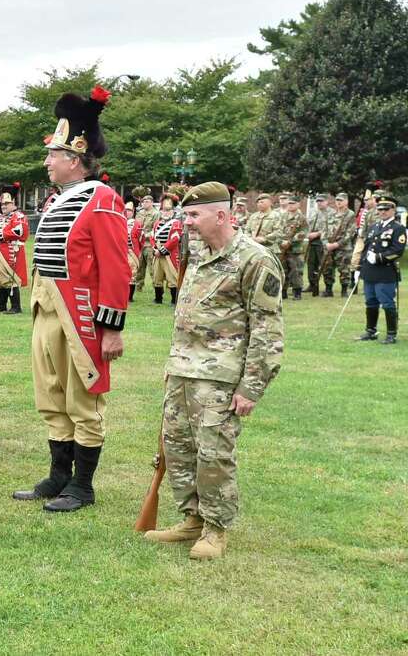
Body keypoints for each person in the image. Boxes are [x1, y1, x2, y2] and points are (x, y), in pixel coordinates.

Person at [144, 181, 283, 560]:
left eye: (193, 215)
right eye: (185, 215)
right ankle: (191, 518)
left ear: (221, 215)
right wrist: (172, 365)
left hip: (220, 377)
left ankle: (215, 529)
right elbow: (187, 315)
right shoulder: (199, 253)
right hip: (183, 371)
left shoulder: (255, 260)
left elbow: (267, 329)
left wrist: (251, 387)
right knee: (178, 448)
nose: (186, 222)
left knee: (213, 453)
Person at [12, 86, 130, 513]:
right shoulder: (60, 200)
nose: (47, 161)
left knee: (83, 400)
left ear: (74, 159)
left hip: (79, 315)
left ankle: (82, 486)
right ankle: (59, 475)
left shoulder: (102, 199)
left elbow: (117, 267)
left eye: (53, 155)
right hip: (46, 309)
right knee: (52, 394)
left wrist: (112, 327)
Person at [354, 196, 404, 344]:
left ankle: (391, 334)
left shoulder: (398, 228)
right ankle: (371, 331)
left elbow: (398, 250)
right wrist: (359, 267)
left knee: (387, 302)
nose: (382, 212)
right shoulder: (374, 226)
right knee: (370, 301)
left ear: (393, 210)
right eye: (380, 209)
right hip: (370, 271)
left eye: (386, 209)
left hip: (385, 272)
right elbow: (366, 247)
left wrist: (378, 258)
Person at [0, 187, 28, 314]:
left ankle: (16, 306)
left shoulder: (18, 216)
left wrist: (0, 236)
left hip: (9, 250)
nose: (3, 206)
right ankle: (1, 305)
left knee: (9, 277)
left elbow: (18, 231)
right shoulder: (0, 218)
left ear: (13, 203)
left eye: (6, 203)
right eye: (2, 204)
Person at [321, 192, 356, 298]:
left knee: (344, 269)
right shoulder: (330, 214)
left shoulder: (350, 214)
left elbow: (350, 232)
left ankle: (344, 290)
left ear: (346, 201)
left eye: (341, 200)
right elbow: (324, 230)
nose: (339, 202)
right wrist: (325, 243)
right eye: (337, 200)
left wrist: (337, 244)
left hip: (343, 248)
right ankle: (328, 290)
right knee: (327, 269)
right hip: (329, 247)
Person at [151, 195, 182, 305]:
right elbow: (152, 237)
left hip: (169, 254)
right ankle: (158, 298)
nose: (165, 212)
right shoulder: (156, 224)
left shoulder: (176, 223)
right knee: (156, 276)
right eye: (164, 210)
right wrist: (155, 249)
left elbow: (175, 239)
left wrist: (162, 251)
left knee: (172, 277)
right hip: (158, 254)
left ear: (173, 211)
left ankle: (174, 300)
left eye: (168, 210)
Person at [279, 193, 308, 300]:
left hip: (295, 249)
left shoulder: (301, 218)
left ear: (298, 204)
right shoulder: (283, 216)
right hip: (283, 248)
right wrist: (282, 241)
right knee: (283, 270)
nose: (290, 205)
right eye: (289, 203)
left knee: (296, 271)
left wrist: (290, 241)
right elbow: (278, 230)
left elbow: (303, 233)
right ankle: (283, 292)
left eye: (293, 203)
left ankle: (297, 293)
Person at [304, 194, 333, 296]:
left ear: (327, 202)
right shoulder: (313, 212)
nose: (319, 203)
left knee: (325, 265)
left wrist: (317, 234)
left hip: (323, 241)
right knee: (311, 264)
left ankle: (328, 287)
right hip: (312, 242)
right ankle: (312, 285)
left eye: (321, 201)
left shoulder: (331, 213)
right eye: (318, 201)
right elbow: (308, 225)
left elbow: (331, 228)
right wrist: (308, 234)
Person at [132, 192, 158, 294]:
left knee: (152, 267)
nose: (145, 203)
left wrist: (145, 235)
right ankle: (138, 287)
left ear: (152, 203)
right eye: (143, 202)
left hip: (149, 244)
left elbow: (156, 228)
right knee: (139, 267)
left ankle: (156, 287)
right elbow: (136, 226)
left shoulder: (156, 214)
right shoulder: (139, 213)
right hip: (139, 244)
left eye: (147, 202)